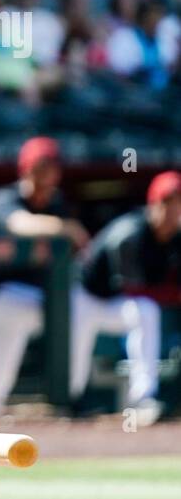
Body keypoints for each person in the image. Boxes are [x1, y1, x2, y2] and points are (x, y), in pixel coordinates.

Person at [0, 137, 89, 418]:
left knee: (80, 307)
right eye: (42, 166)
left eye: (53, 166)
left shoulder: (55, 202)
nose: (48, 173)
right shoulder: (5, 197)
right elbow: (18, 224)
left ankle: (70, 397)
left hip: (34, 296)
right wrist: (64, 227)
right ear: (27, 169)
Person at [72, 171, 181, 423]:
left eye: (177, 205)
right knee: (76, 352)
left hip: (116, 305)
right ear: (154, 204)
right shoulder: (130, 232)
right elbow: (133, 288)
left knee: (146, 311)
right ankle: (71, 400)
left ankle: (144, 398)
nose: (172, 212)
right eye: (167, 203)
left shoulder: (176, 238)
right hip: (84, 296)